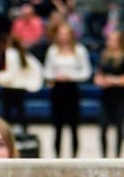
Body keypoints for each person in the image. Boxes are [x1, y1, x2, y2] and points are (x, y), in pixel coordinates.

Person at [43, 22, 92, 158]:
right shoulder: (52, 50)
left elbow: (86, 72)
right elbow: (46, 71)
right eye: (61, 34)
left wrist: (70, 76)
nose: (63, 37)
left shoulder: (79, 50)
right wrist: (55, 76)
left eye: (66, 34)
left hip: (72, 89)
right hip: (57, 89)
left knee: (74, 126)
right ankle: (57, 157)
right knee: (57, 126)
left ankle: (74, 157)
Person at [94, 31, 124, 158]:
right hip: (106, 98)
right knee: (103, 128)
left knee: (119, 128)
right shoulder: (104, 57)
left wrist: (113, 80)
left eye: (113, 40)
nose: (110, 42)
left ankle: (118, 157)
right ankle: (104, 157)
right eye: (110, 39)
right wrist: (102, 82)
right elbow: (98, 77)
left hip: (121, 98)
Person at [0, 35, 43, 132]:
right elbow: (38, 68)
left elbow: (5, 71)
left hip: (8, 87)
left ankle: (5, 132)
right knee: (21, 112)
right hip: (20, 88)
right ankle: (25, 132)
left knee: (7, 113)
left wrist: (0, 79)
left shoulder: (8, 53)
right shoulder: (23, 54)